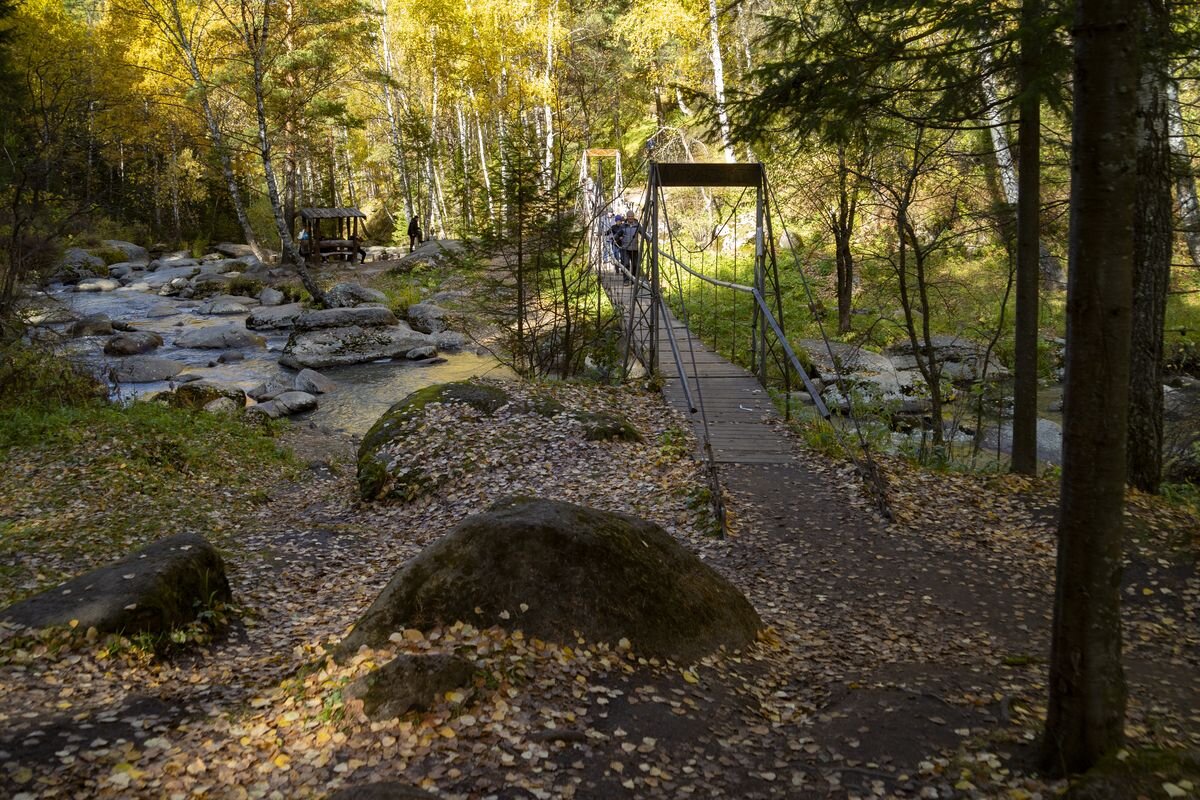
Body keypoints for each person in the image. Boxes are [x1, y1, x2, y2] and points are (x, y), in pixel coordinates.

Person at [619, 213, 641, 280]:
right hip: (626, 248)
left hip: (635, 248)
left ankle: (634, 280)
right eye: (629, 216)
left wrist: (649, 238)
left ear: (633, 217)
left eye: (631, 216)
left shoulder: (637, 225)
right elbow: (618, 233)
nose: (630, 217)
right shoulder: (623, 226)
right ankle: (626, 279)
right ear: (627, 217)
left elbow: (643, 233)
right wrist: (614, 238)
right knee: (626, 264)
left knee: (635, 265)